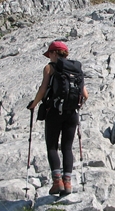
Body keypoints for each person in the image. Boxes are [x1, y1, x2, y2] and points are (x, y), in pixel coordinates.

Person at [27, 40, 88, 195]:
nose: (49, 57)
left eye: (50, 54)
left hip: (54, 112)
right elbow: (85, 94)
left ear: (54, 53)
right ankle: (67, 183)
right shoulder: (76, 70)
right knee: (67, 147)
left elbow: (42, 89)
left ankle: (57, 182)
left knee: (52, 147)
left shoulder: (50, 68)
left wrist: (34, 104)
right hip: (72, 113)